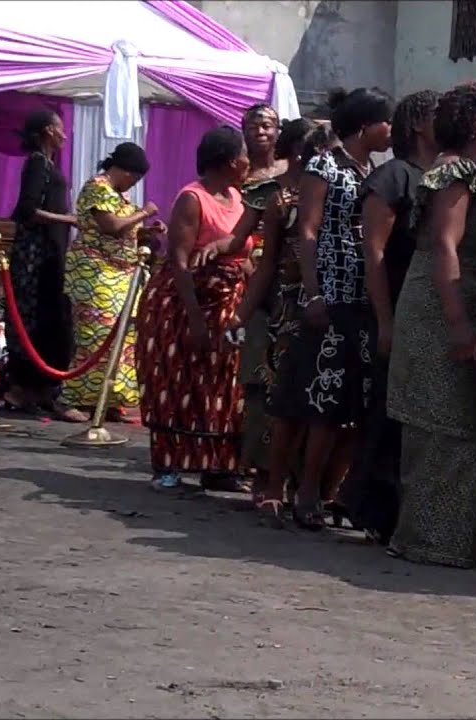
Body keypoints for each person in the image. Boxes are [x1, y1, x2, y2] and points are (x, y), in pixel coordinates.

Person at [387, 81, 476, 568]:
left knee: (451, 425)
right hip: (444, 306)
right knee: (447, 425)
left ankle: (443, 540)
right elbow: (445, 247)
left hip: (442, 300)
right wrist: (458, 322)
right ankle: (435, 543)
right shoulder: (455, 174)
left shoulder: (453, 172)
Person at [264, 87, 393, 530]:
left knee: (337, 404)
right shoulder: (323, 165)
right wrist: (314, 293)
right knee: (307, 398)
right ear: (365, 126)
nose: (390, 130)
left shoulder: (368, 169)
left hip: (358, 295)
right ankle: (287, 489)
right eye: (385, 121)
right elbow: (308, 230)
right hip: (328, 294)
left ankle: (316, 489)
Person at [337, 90, 440, 544]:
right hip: (393, 307)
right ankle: (371, 506)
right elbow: (374, 250)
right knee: (385, 414)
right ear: (420, 124)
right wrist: (385, 320)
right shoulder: (394, 177)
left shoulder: (438, 177)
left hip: (421, 314)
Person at [224, 119, 334, 521]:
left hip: (328, 310)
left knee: (318, 401)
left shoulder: (336, 200)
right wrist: (240, 314)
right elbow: (265, 264)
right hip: (282, 312)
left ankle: (307, 484)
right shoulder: (280, 201)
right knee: (269, 397)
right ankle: (267, 477)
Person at [136, 127, 250, 490]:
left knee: (222, 386)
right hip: (184, 302)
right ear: (233, 161)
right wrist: (195, 319)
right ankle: (169, 463)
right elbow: (180, 260)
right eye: (245, 155)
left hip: (228, 301)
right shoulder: (192, 198)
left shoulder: (238, 198)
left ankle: (217, 466)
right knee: (177, 381)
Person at [60, 142, 160, 420]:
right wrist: (146, 212)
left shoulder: (118, 196)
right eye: (136, 178)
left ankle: (107, 398)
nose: (134, 184)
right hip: (95, 273)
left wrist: (147, 230)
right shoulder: (98, 188)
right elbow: (111, 227)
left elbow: (125, 231)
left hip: (121, 274)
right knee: (95, 335)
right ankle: (73, 398)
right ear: (126, 171)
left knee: (123, 337)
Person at [3, 109, 78, 420]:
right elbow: (28, 209)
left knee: (53, 321)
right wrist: (69, 219)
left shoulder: (48, 165)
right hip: (36, 256)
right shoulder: (36, 164)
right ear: (48, 130)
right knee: (37, 320)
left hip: (51, 252)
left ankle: (43, 391)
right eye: (60, 128)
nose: (65, 134)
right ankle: (26, 389)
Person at [234, 103, 286, 493]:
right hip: (240, 273)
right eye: (254, 125)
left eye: (267, 125)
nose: (261, 132)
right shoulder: (236, 174)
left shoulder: (288, 175)